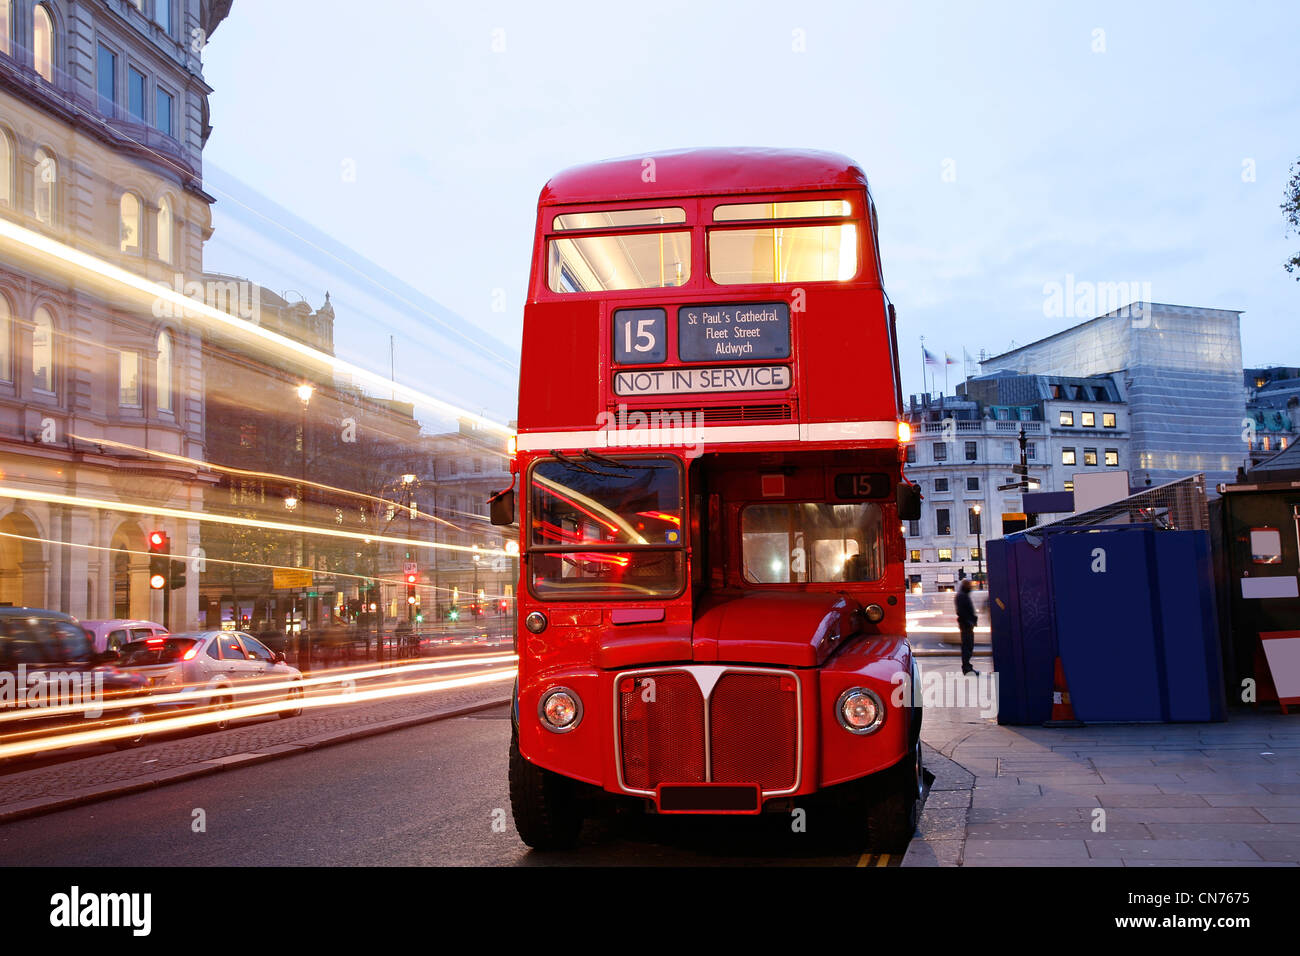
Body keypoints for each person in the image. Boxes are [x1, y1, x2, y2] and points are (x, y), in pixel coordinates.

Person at [955, 579, 978, 675]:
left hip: (967, 624)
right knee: (967, 646)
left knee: (968, 646)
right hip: (966, 625)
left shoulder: (962, 595)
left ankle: (967, 667)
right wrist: (969, 621)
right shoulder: (962, 596)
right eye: (970, 585)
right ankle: (967, 668)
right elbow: (962, 611)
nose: (971, 587)